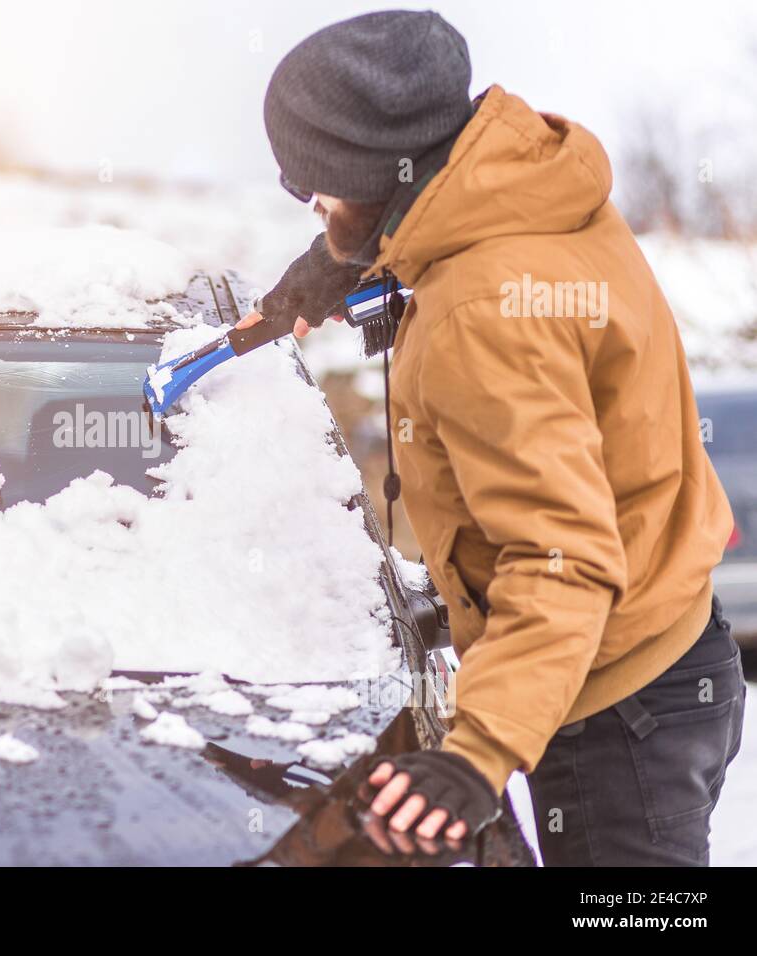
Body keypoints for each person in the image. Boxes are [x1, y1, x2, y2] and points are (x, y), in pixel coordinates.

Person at [240, 10, 745, 865]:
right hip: (673, 653)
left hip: (615, 713)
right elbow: (451, 218)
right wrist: (354, 251)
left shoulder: (482, 314)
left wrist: (477, 753)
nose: (313, 200)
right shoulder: (533, 190)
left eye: (312, 183)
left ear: (367, 165)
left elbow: (565, 556)